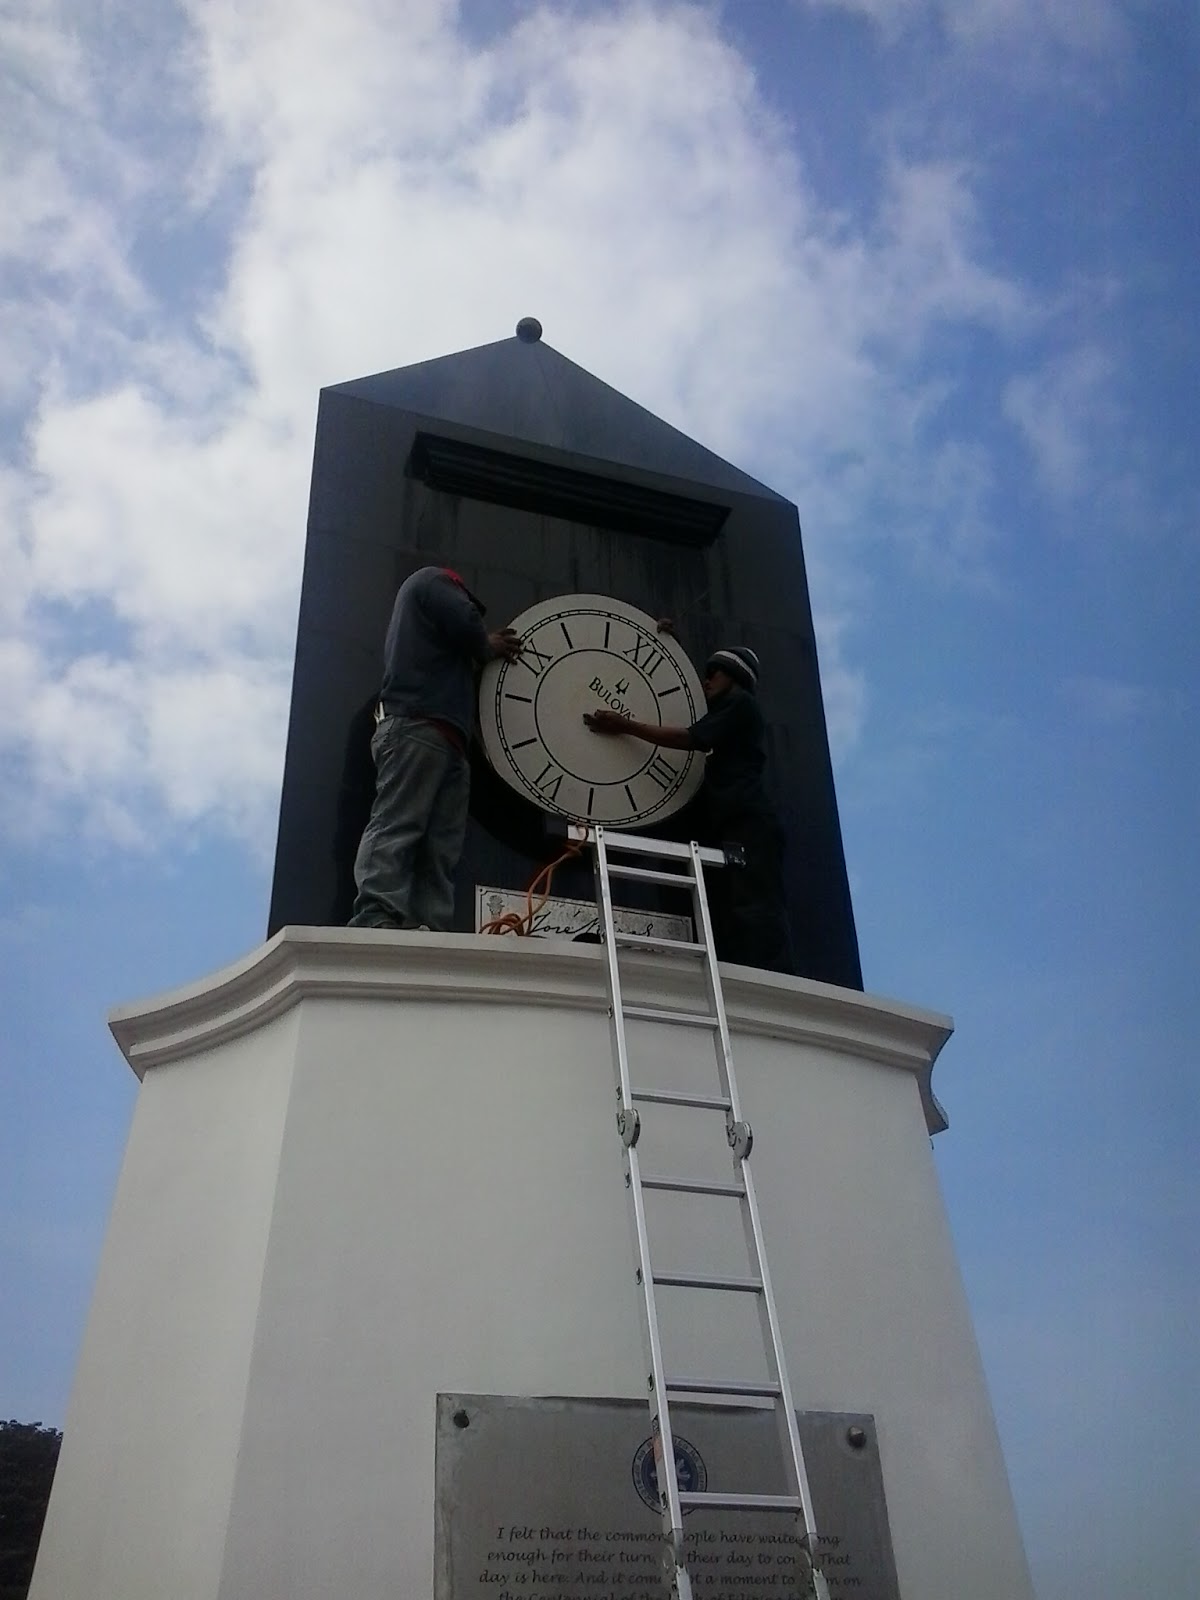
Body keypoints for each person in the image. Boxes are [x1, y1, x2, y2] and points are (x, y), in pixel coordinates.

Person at [584, 639, 794, 973]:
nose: (706, 680)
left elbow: (690, 738)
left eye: (714, 673)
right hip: (733, 821)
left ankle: (772, 976)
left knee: (754, 907)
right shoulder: (729, 713)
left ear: (734, 676)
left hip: (748, 822)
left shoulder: (741, 705)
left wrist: (625, 726)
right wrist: (668, 640)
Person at [349, 566, 520, 930]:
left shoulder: (421, 618)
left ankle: (428, 928)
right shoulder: (435, 581)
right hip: (419, 726)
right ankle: (376, 915)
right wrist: (487, 644)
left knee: (439, 845)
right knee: (399, 825)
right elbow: (465, 620)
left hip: (443, 738)